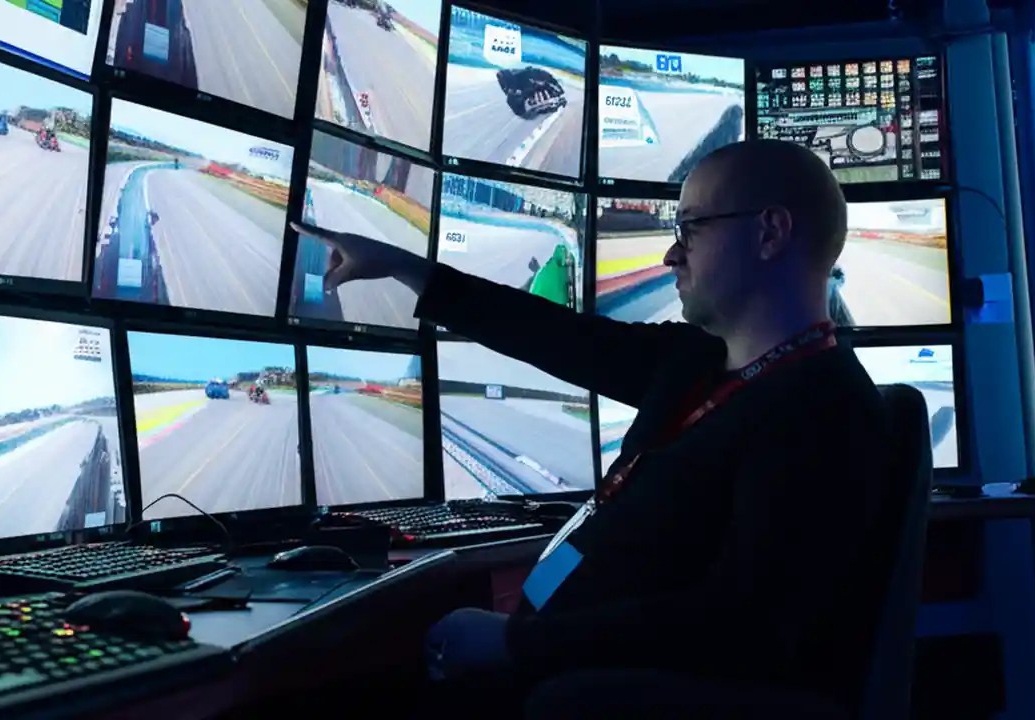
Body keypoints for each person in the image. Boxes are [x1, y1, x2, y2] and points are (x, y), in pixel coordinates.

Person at [291, 139, 893, 718]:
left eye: (690, 228)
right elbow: (552, 335)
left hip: (602, 688)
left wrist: (516, 645)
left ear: (769, 233)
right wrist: (401, 266)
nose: (670, 254)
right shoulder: (696, 362)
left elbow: (739, 626)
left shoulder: (827, 412)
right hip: (555, 660)